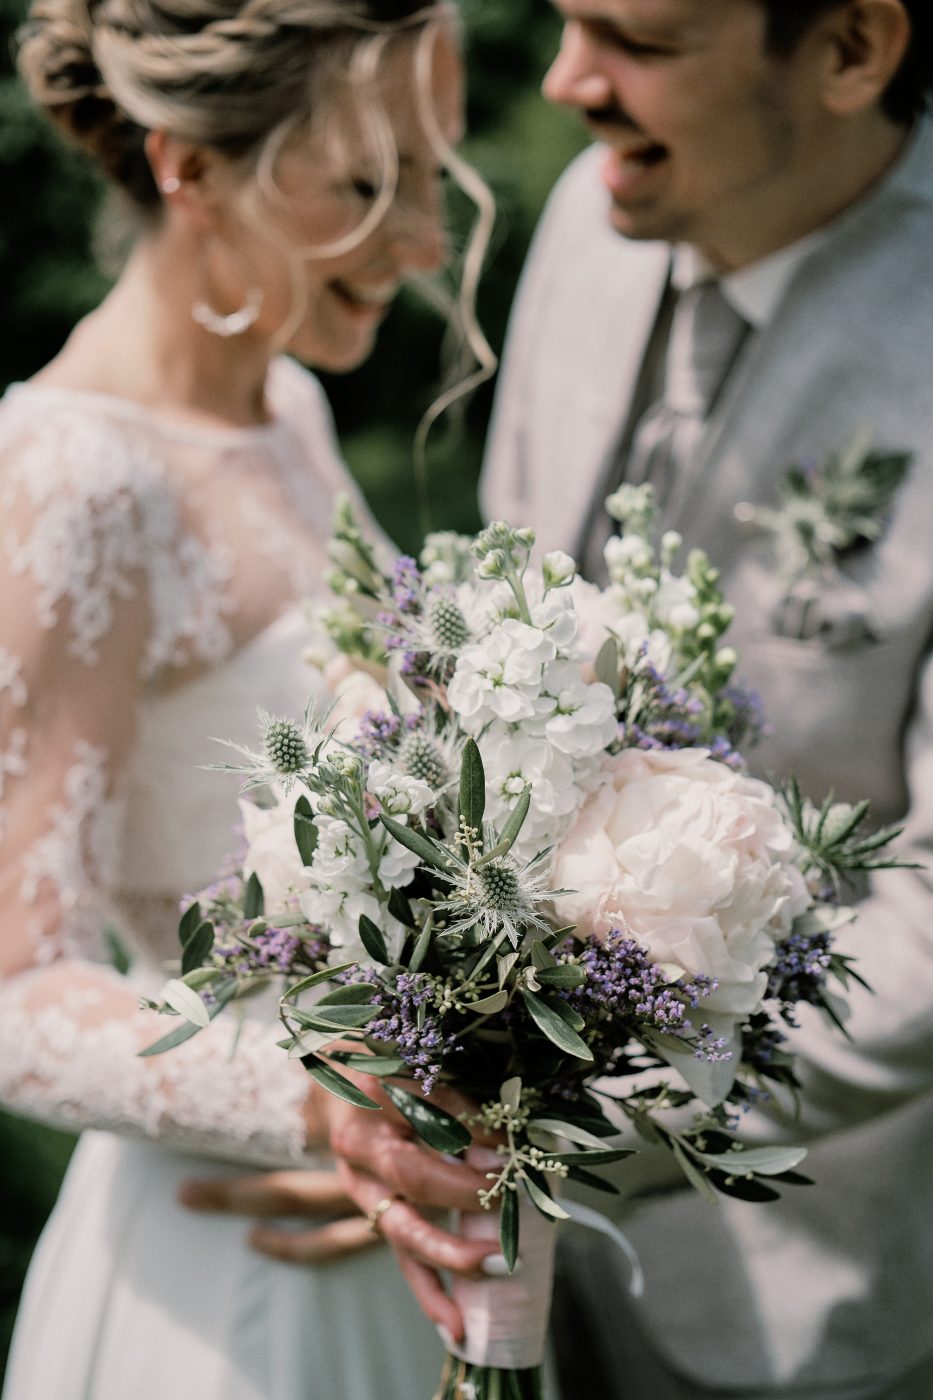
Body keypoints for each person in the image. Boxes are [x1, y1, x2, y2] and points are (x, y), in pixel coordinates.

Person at [200, 2, 933, 1397]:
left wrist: (541, 1125)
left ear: (849, 50)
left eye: (638, 40)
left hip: (789, 1289)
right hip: (448, 1266)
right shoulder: (599, 226)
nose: (563, 82)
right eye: (565, 20)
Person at [0, 2, 499, 1397]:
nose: (420, 247)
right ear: (190, 167)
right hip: (224, 1290)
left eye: (433, 176)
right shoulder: (69, 481)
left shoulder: (286, 407)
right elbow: (13, 984)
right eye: (365, 185)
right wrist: (332, 1109)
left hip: (392, 1234)